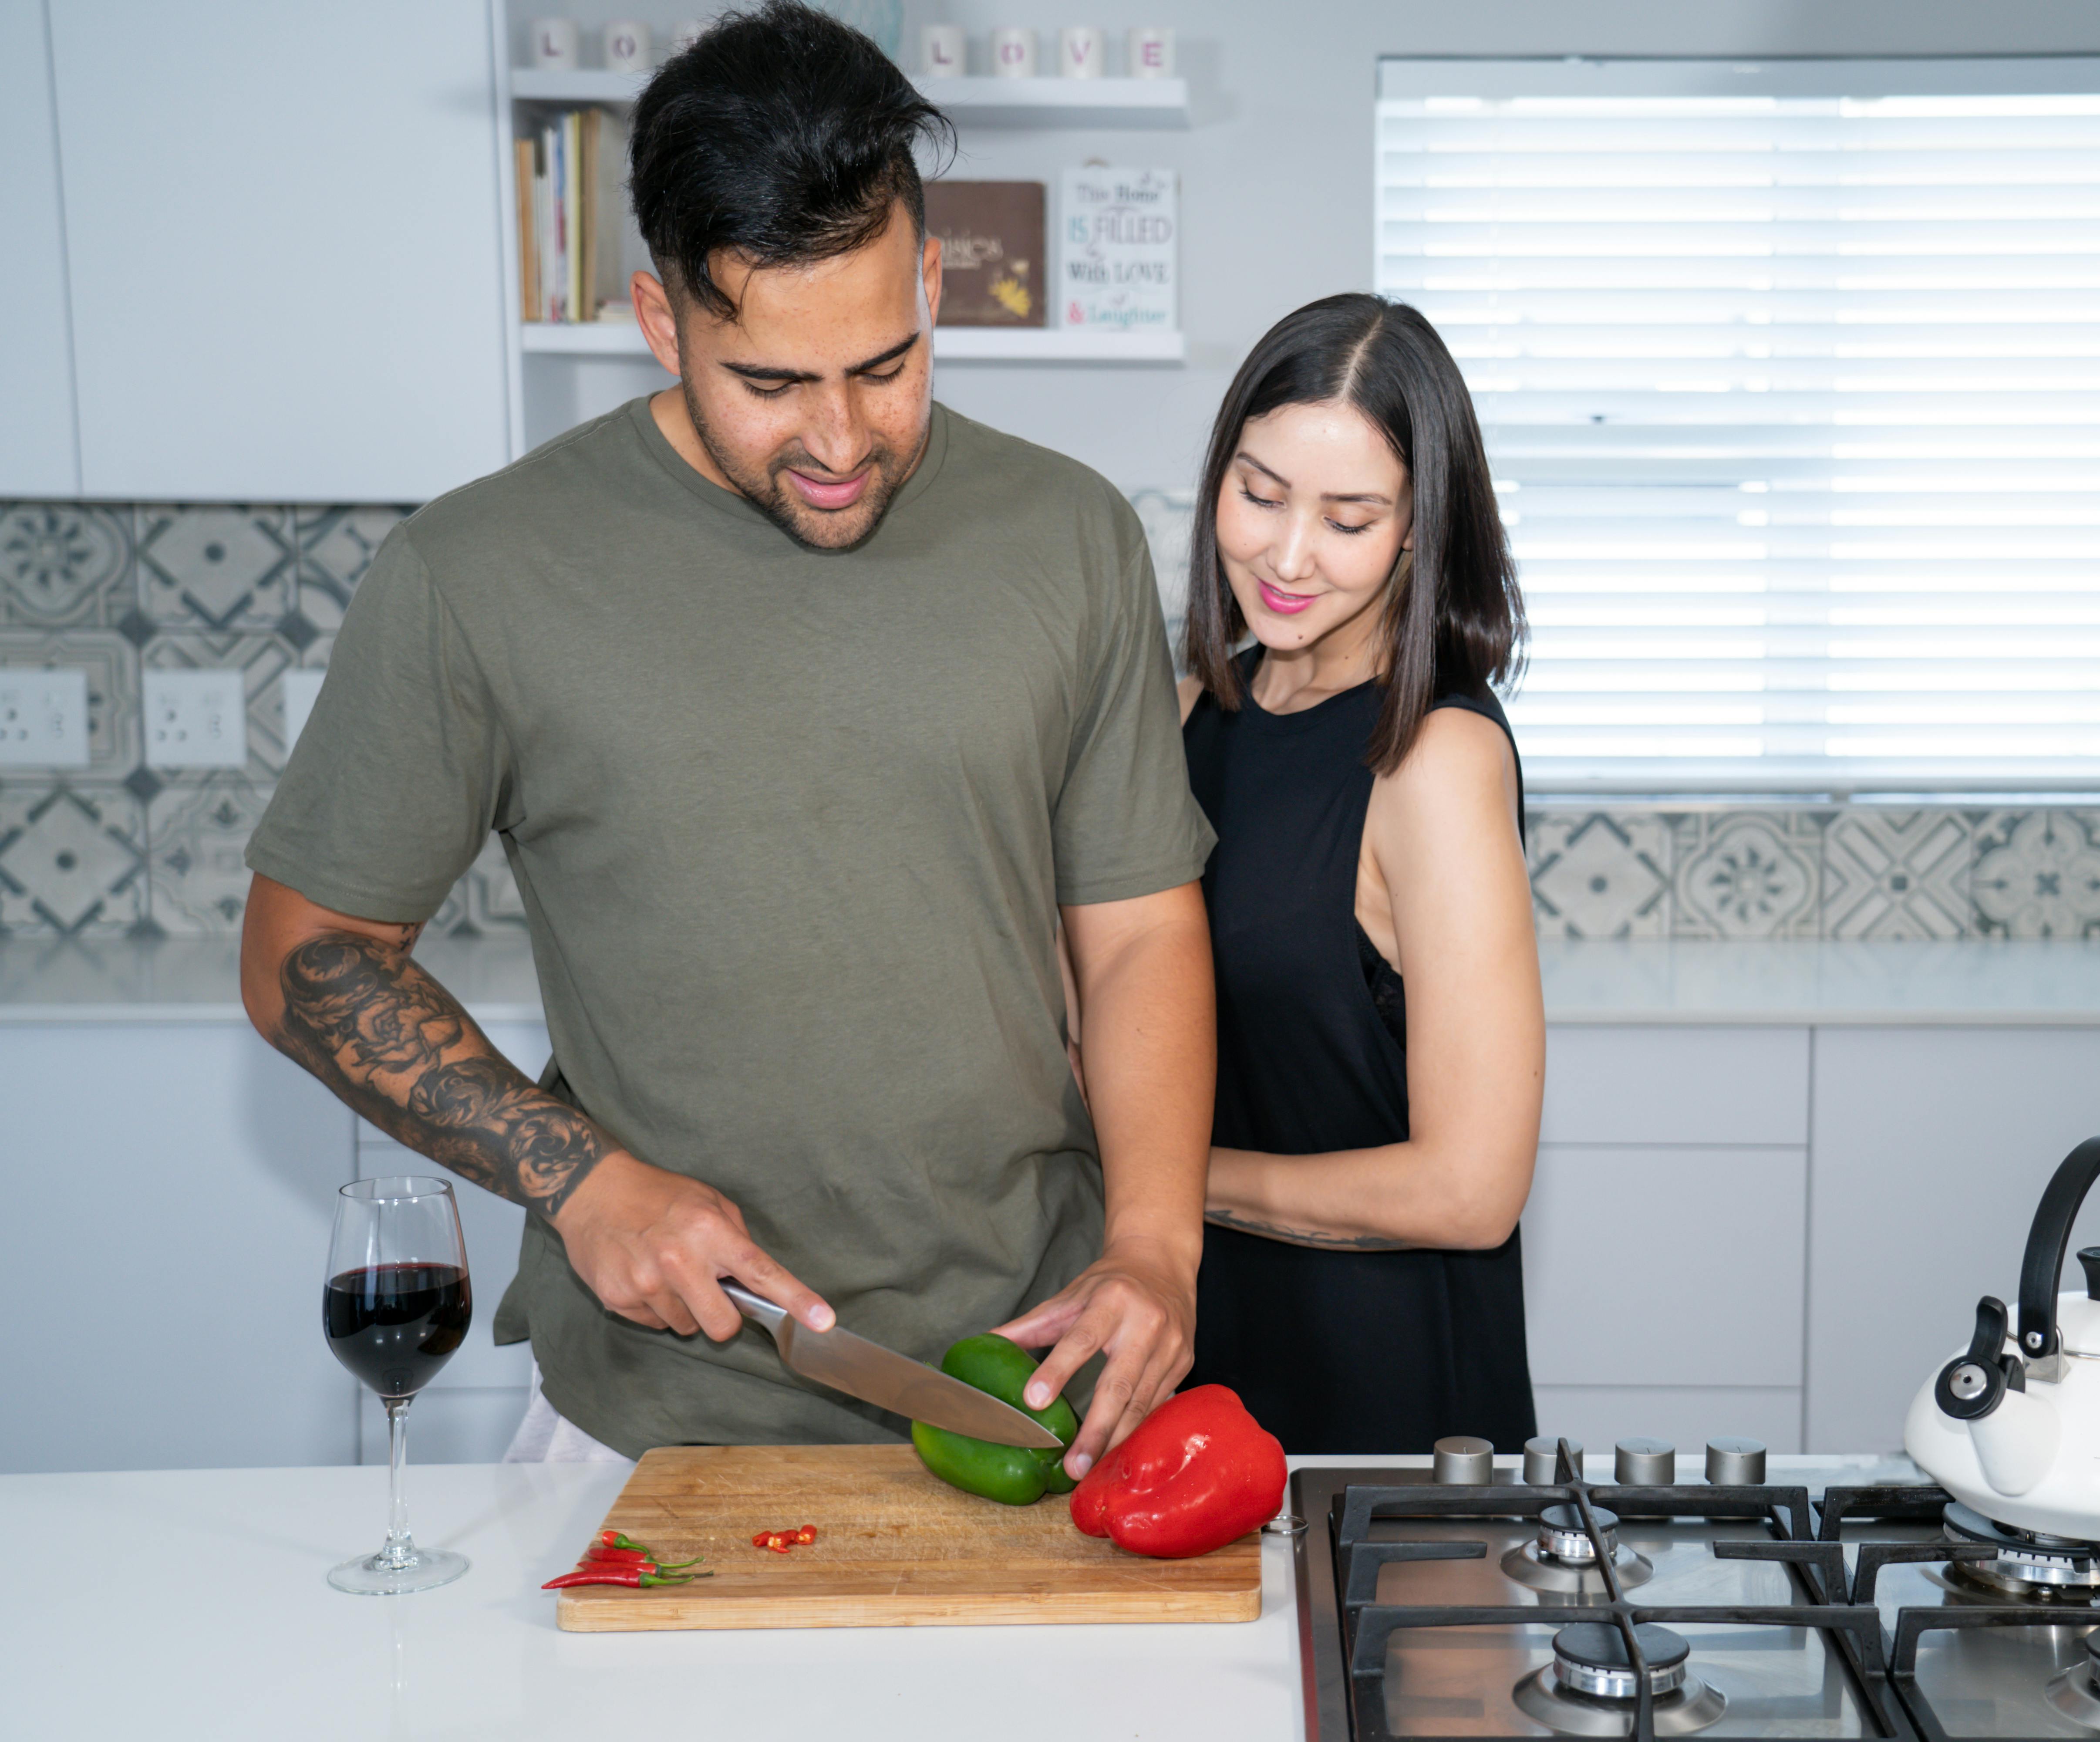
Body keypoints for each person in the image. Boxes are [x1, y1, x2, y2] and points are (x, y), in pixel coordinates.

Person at [236, 2, 1214, 1478]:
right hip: (641, 1424)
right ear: (659, 318)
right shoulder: (479, 573)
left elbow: (1139, 931)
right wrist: (579, 1181)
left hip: (1027, 1389)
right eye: (768, 383)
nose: (838, 440)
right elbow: (303, 950)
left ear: (933, 280)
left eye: (885, 364)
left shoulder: (1071, 536)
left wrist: (1154, 1248)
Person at [1176, 294, 1543, 1453]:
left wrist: (1163, 1178)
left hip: (1381, 1397)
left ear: (1418, 531)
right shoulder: (1192, 711)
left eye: (1348, 518)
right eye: (1261, 493)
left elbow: (1470, 1191)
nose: (1286, 556)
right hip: (1193, 1356)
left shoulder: (1434, 757)